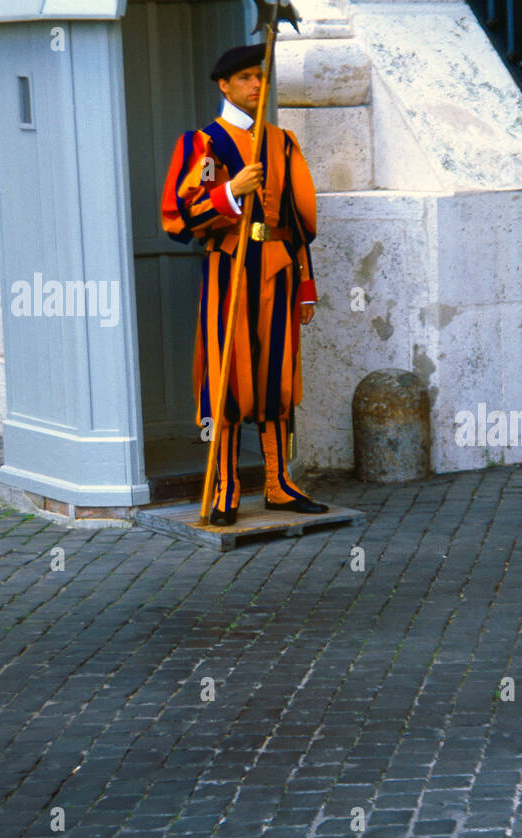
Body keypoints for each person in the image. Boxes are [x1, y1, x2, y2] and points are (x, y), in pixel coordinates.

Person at [160, 42, 328, 524]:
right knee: (228, 379)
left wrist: (306, 286)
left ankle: (278, 484)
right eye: (247, 78)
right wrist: (231, 191)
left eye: (261, 77)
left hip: (277, 269)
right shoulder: (203, 145)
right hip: (228, 272)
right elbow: (180, 216)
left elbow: (298, 223)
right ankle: (226, 490)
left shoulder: (281, 142)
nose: (257, 85)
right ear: (224, 85)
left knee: (277, 376)